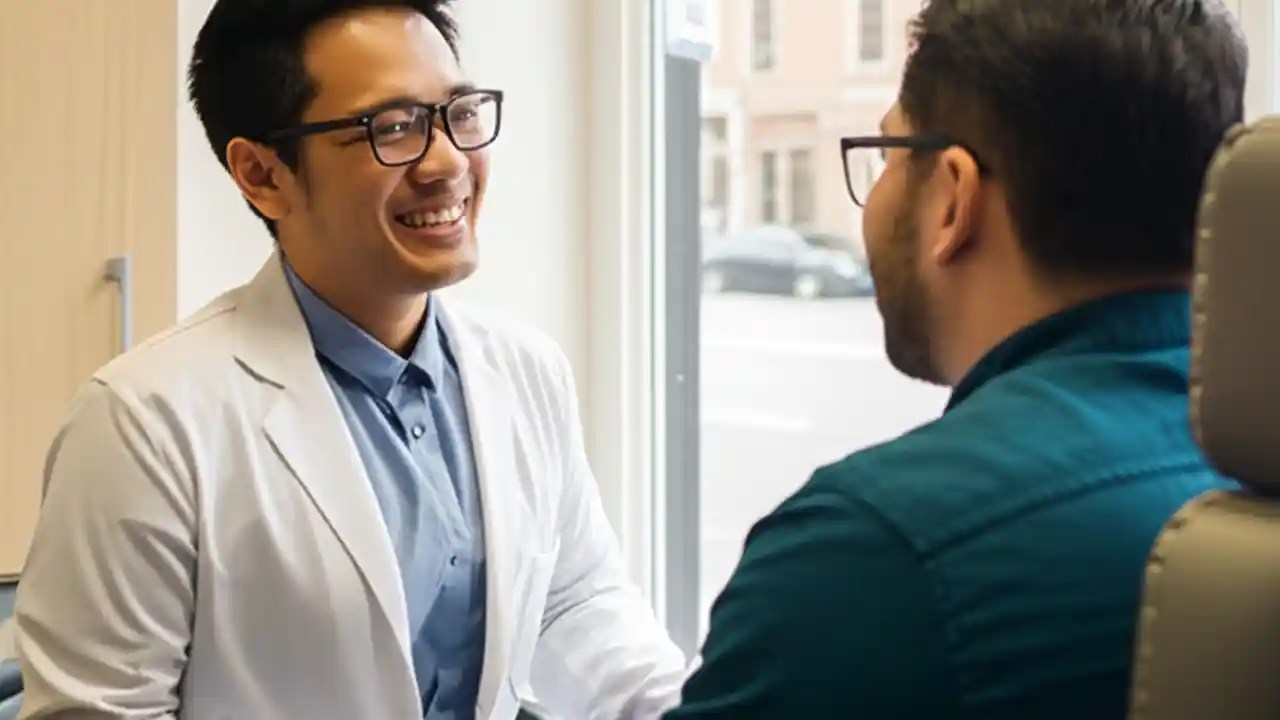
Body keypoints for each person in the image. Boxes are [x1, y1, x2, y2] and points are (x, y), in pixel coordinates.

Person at [13, 1, 685, 718]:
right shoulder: (144, 421)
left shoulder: (526, 370)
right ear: (262, 174)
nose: (447, 161)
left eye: (457, 112)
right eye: (392, 127)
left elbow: (575, 603)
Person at [666, 1, 1246, 718]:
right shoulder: (1241, 472)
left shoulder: (875, 555)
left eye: (885, 156)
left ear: (952, 197)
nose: (874, 196)